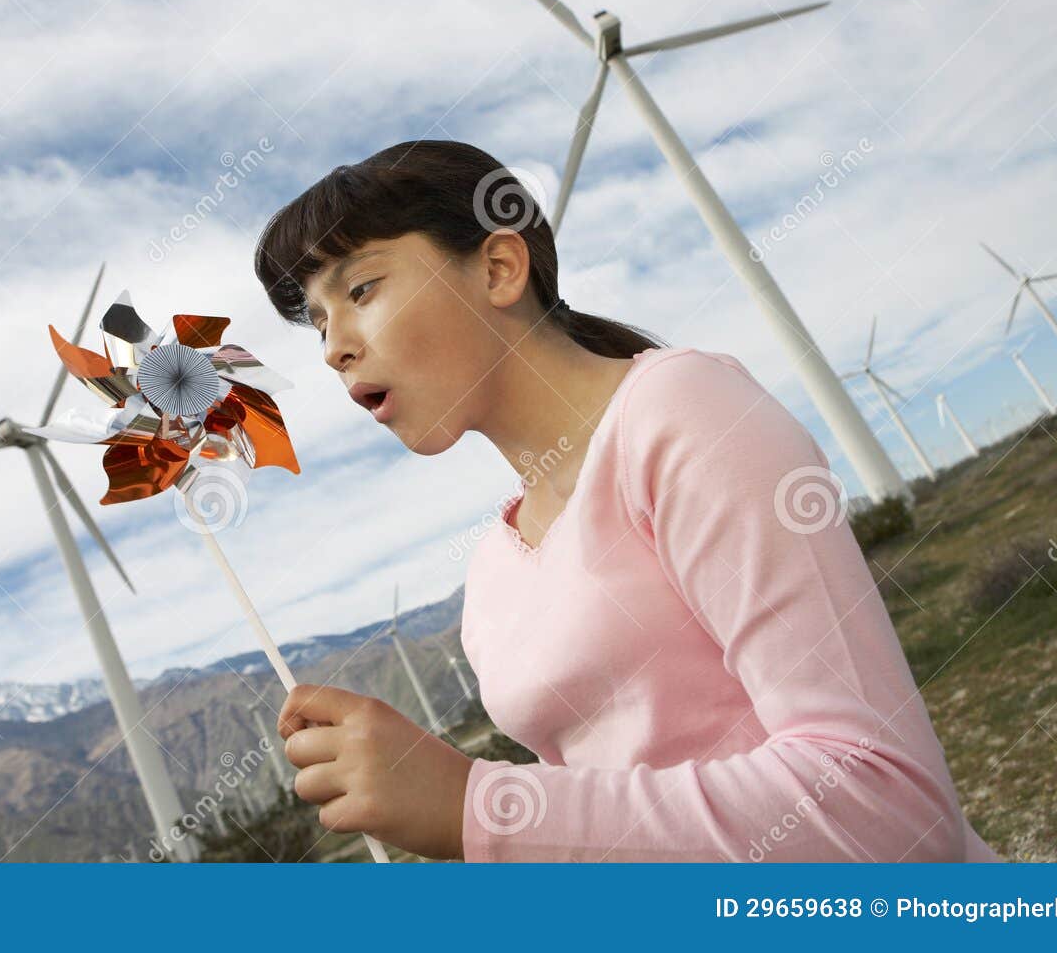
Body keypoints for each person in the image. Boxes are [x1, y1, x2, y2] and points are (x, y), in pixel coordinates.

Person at [253, 138, 997, 862]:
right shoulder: (490, 576)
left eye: (360, 291)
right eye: (318, 323)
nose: (333, 348)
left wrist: (477, 809)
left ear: (500, 267)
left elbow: (889, 813)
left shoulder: (684, 412)